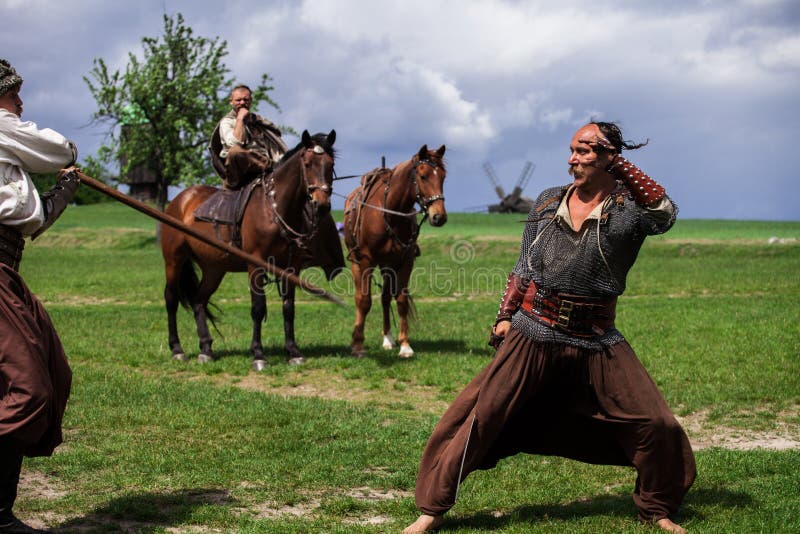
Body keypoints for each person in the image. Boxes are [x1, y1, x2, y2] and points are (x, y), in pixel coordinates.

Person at [404, 121, 696, 534]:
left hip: (597, 336)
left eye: (584, 151)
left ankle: (655, 507)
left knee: (656, 424)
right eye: (573, 150)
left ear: (609, 156)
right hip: (535, 328)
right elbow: (524, 266)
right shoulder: (546, 202)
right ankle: (431, 510)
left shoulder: (628, 208)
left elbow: (664, 214)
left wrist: (622, 165)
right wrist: (505, 316)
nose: (572, 159)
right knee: (482, 416)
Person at [0, 59, 79, 533]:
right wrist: (66, 160)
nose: (21, 104)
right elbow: (57, 147)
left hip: (7, 270)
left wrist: (63, 192)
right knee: (28, 388)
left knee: (51, 369)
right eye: (13, 96)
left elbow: (26, 220)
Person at [215, 84, 288, 190]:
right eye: (238, 100)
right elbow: (235, 143)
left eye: (246, 100)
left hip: (265, 168)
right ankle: (271, 166)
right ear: (231, 101)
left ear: (250, 101)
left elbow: (276, 149)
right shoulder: (227, 122)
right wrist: (240, 119)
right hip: (239, 170)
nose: (242, 103)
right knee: (235, 151)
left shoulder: (259, 122)